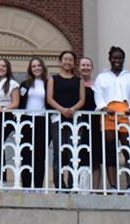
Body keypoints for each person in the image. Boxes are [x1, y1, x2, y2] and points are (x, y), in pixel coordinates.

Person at [92, 46, 130, 191]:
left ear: (123, 59)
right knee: (110, 150)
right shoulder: (102, 77)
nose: (117, 60)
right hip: (108, 115)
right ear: (110, 59)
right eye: (114, 58)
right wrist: (103, 107)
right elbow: (98, 94)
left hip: (126, 114)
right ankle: (113, 185)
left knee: (127, 149)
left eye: (120, 58)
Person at [46, 50, 85, 189]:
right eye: (65, 59)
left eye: (70, 60)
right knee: (59, 151)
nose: (67, 62)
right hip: (58, 119)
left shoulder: (78, 80)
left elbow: (82, 99)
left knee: (73, 151)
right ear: (60, 61)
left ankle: (73, 184)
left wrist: (73, 109)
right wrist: (62, 110)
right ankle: (59, 184)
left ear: (74, 63)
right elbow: (49, 98)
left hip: (74, 119)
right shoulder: (53, 79)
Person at [18, 57, 49, 189]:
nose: (36, 68)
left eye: (38, 65)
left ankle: (38, 187)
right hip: (27, 120)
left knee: (40, 155)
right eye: (33, 66)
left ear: (42, 67)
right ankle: (25, 186)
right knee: (26, 154)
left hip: (42, 120)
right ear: (30, 69)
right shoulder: (25, 84)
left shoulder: (48, 83)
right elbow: (20, 102)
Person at [0, 58, 20, 186]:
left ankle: (3, 180)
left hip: (6, 116)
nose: (0, 68)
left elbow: (16, 103)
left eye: (3, 66)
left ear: (8, 69)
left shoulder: (12, 83)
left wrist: (3, 108)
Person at [78, 55, 102, 190]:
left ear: (92, 68)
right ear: (79, 68)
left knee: (95, 157)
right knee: (79, 155)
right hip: (79, 123)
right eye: (83, 65)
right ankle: (81, 187)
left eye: (88, 65)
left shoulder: (97, 86)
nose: (85, 67)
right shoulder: (75, 84)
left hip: (94, 123)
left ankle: (95, 189)